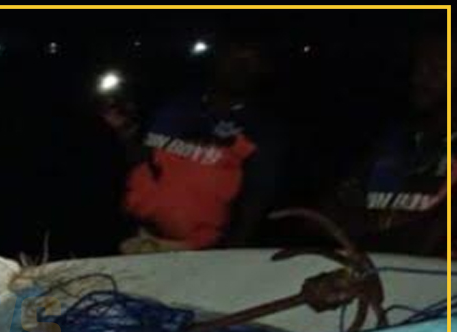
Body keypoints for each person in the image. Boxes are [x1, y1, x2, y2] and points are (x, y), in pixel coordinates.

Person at [104, 42, 283, 253]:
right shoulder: (176, 108)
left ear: (263, 69)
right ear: (218, 60)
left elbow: (257, 198)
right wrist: (125, 135)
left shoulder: (262, 128)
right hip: (142, 235)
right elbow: (144, 161)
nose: (239, 67)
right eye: (233, 58)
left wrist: (234, 250)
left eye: (250, 61)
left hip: (199, 248)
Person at [321, 37, 448, 257]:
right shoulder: (393, 139)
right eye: (418, 67)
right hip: (364, 273)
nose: (418, 78)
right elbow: (326, 215)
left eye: (436, 68)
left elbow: (434, 234)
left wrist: (373, 223)